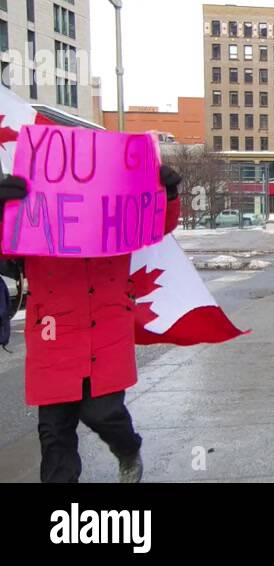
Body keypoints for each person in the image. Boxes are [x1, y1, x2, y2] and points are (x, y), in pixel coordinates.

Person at [0, 166, 182, 483]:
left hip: (106, 328)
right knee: (54, 431)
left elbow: (156, 226)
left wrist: (167, 194)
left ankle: (128, 449)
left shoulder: (115, 211)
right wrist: (4, 210)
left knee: (103, 412)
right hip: (53, 333)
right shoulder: (35, 210)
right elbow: (6, 247)